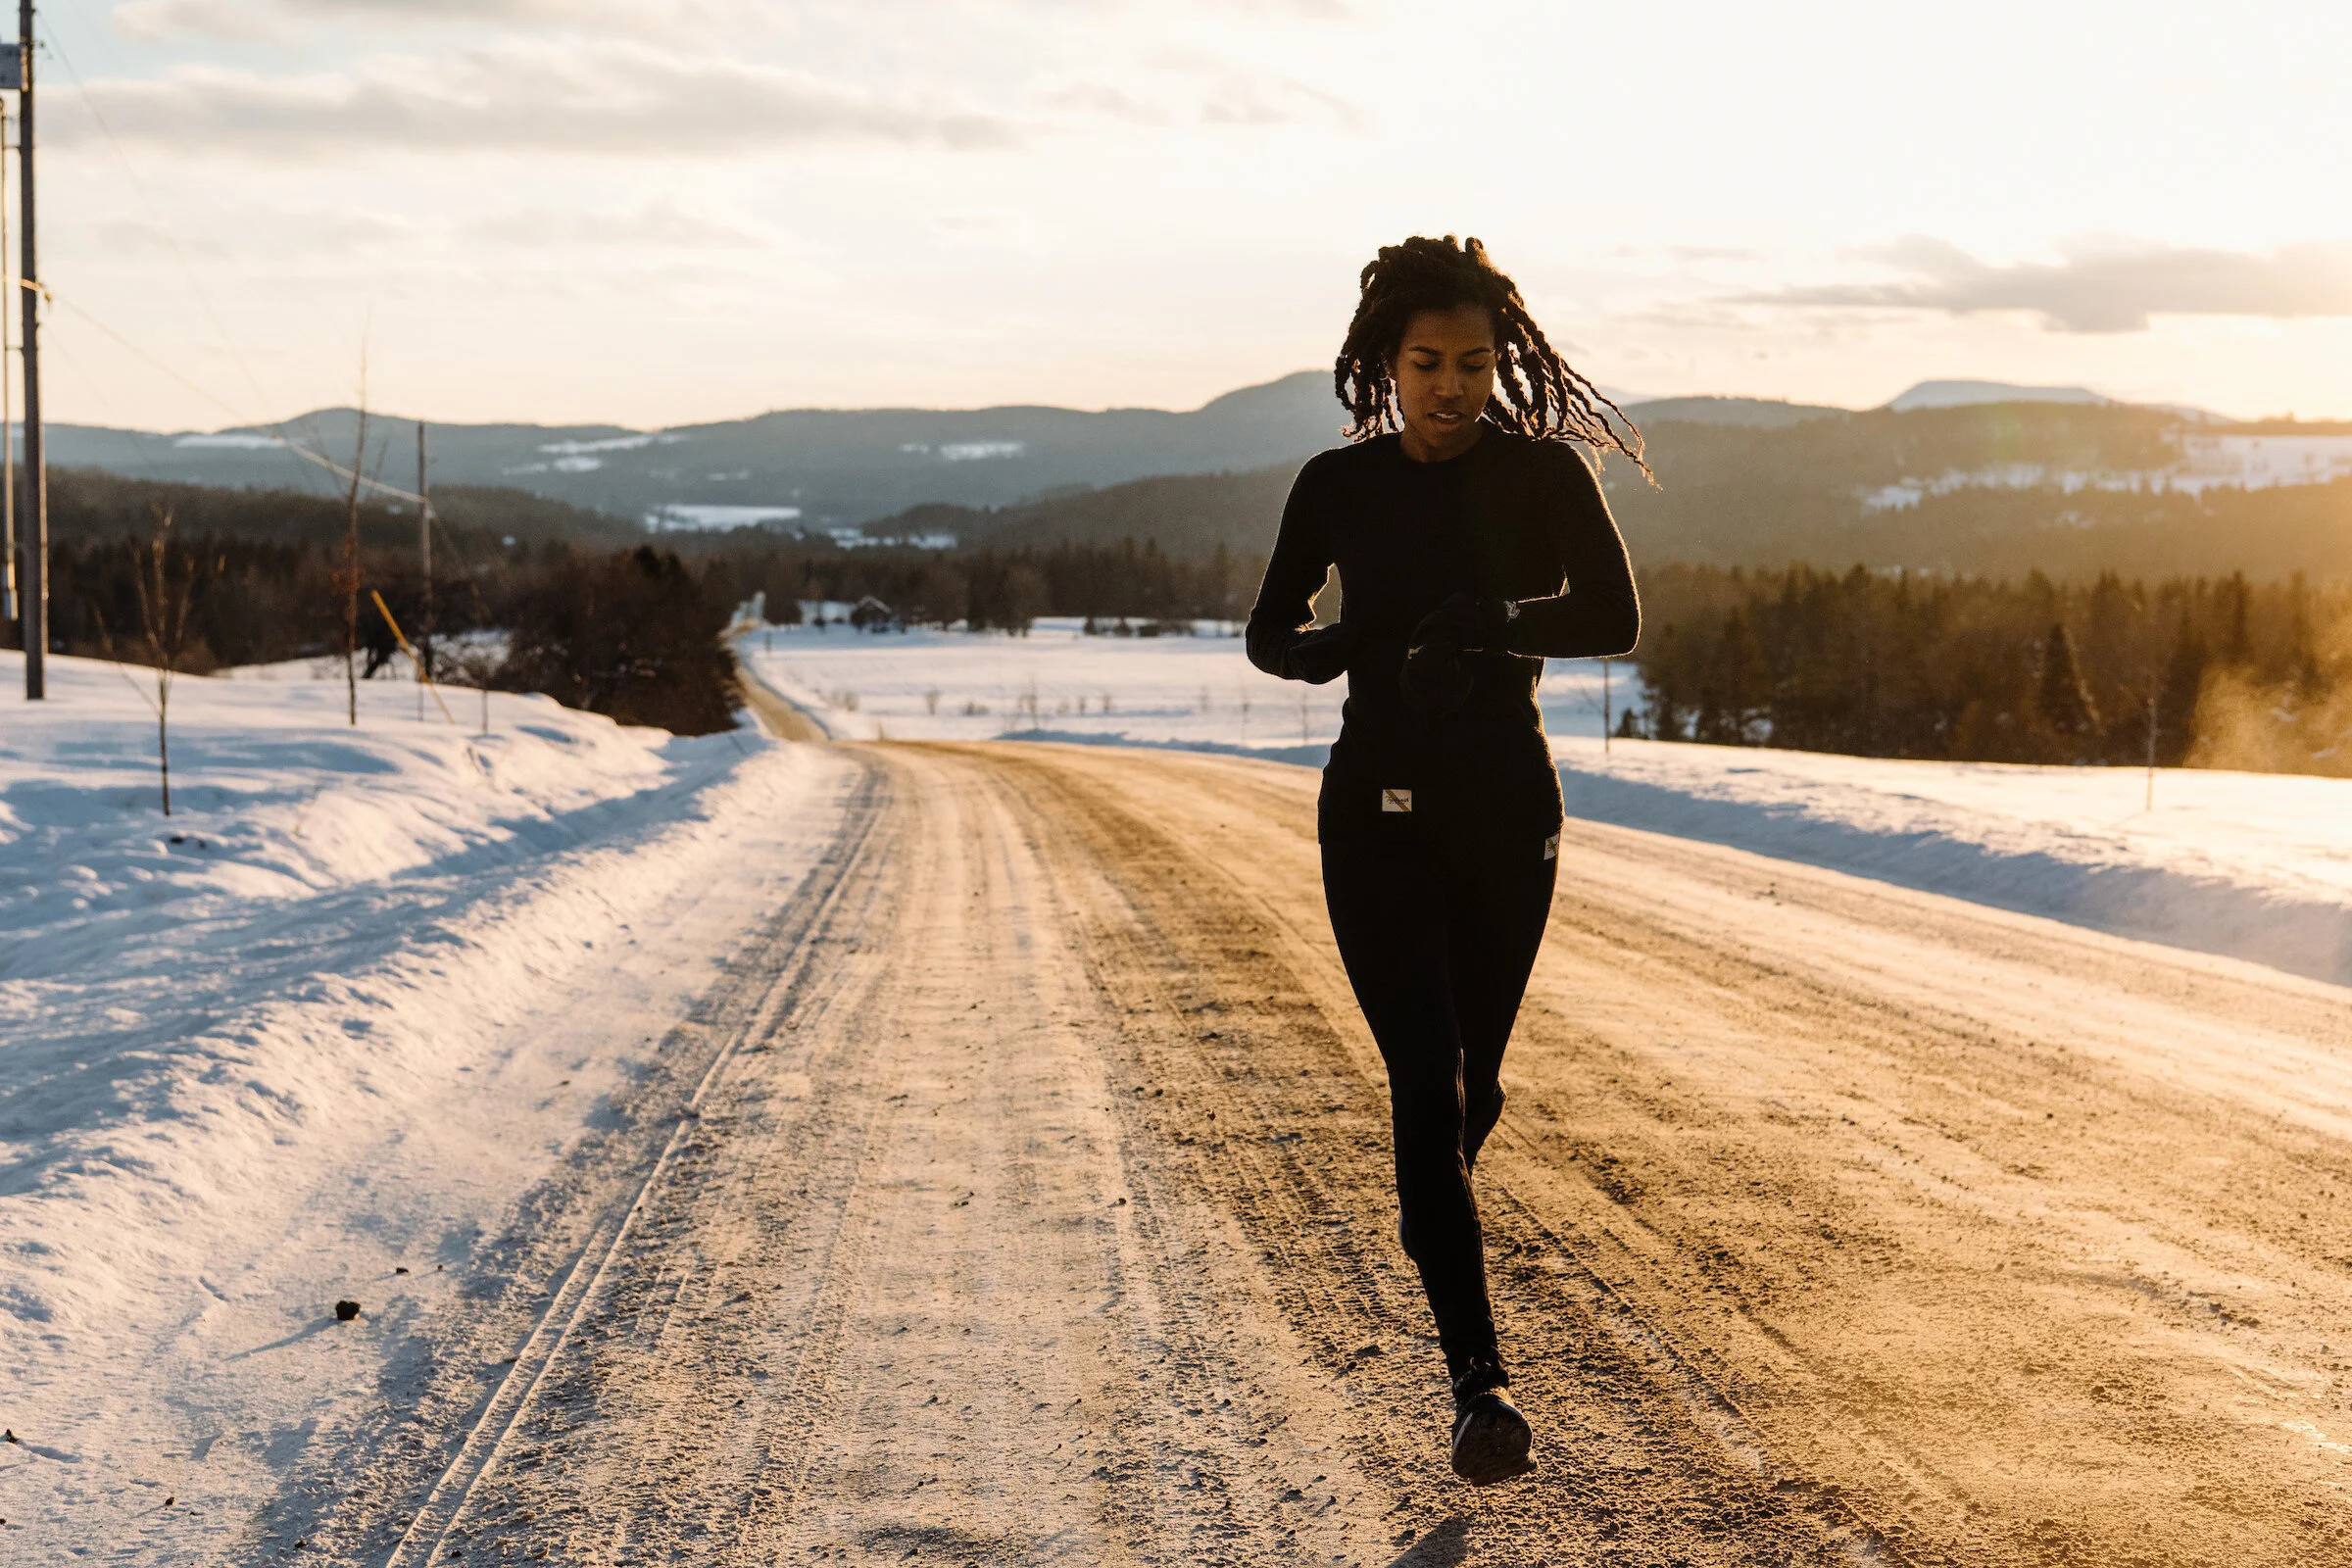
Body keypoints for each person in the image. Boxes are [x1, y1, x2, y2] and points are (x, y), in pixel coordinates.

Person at [1246, 235, 1642, 1486]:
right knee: (1426, 1079)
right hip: (1375, 812)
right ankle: (1480, 1382)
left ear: (1500, 362)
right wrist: (1328, 648)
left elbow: (1614, 618)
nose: (1453, 388)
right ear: (1386, 364)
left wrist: (1494, 621)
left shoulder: (1543, 477)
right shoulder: (1337, 483)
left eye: (1475, 363)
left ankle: (1433, 1212)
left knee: (1471, 1091)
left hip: (1507, 813)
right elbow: (1269, 632)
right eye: (1427, 364)